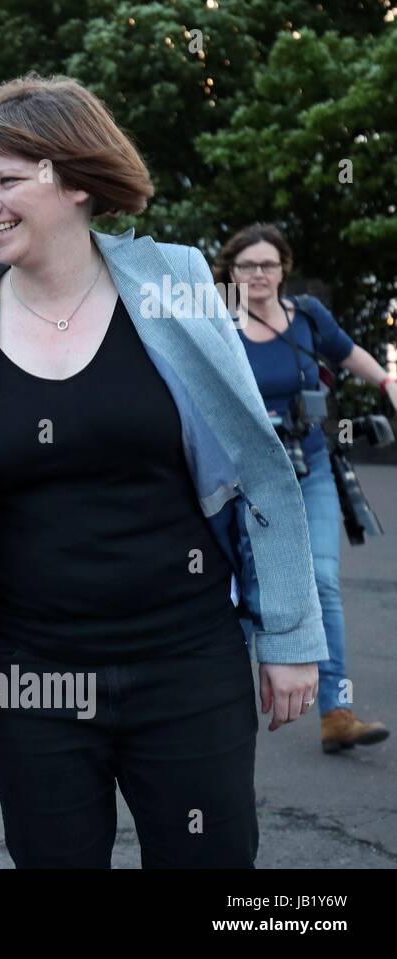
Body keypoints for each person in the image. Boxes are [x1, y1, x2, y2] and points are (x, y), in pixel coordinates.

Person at [0, 74, 327, 868]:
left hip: (188, 663)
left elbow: (259, 469)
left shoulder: (175, 281)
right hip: (30, 681)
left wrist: (291, 634)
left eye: (7, 180)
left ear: (72, 179)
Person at [215, 223, 393, 753]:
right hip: (242, 477)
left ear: (283, 268)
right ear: (232, 272)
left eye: (268, 265)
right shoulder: (219, 323)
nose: (259, 275)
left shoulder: (308, 316)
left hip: (310, 466)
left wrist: (387, 382)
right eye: (248, 266)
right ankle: (222, 709)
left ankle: (336, 711)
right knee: (236, 590)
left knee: (322, 579)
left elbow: (348, 354)